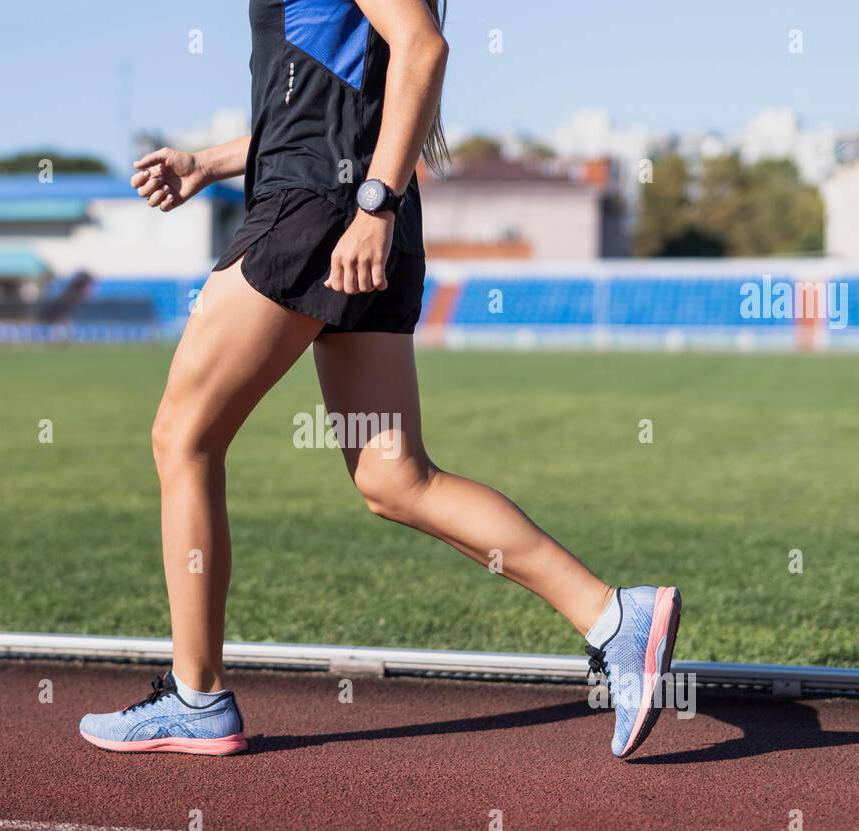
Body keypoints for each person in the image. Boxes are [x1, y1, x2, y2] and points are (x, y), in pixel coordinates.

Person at [80, 0, 681, 760]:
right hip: (350, 215)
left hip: (320, 216)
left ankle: (196, 697)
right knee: (396, 479)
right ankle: (612, 617)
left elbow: (422, 47)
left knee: (183, 437)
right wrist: (209, 162)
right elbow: (327, 96)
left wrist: (375, 203)